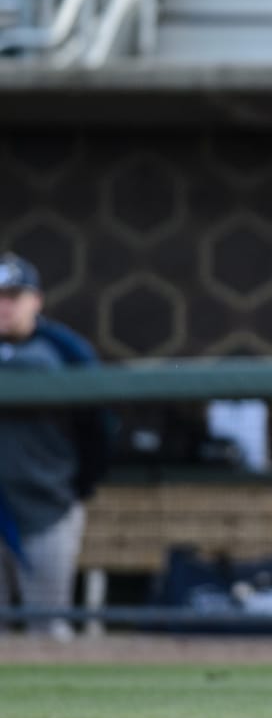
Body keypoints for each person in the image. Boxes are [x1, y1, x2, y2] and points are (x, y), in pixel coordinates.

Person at [0, 253, 111, 640]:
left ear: (36, 301)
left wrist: (76, 490)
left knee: (47, 630)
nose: (4, 305)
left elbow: (100, 429)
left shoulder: (65, 351)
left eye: (14, 295)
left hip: (46, 510)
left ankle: (48, 705)